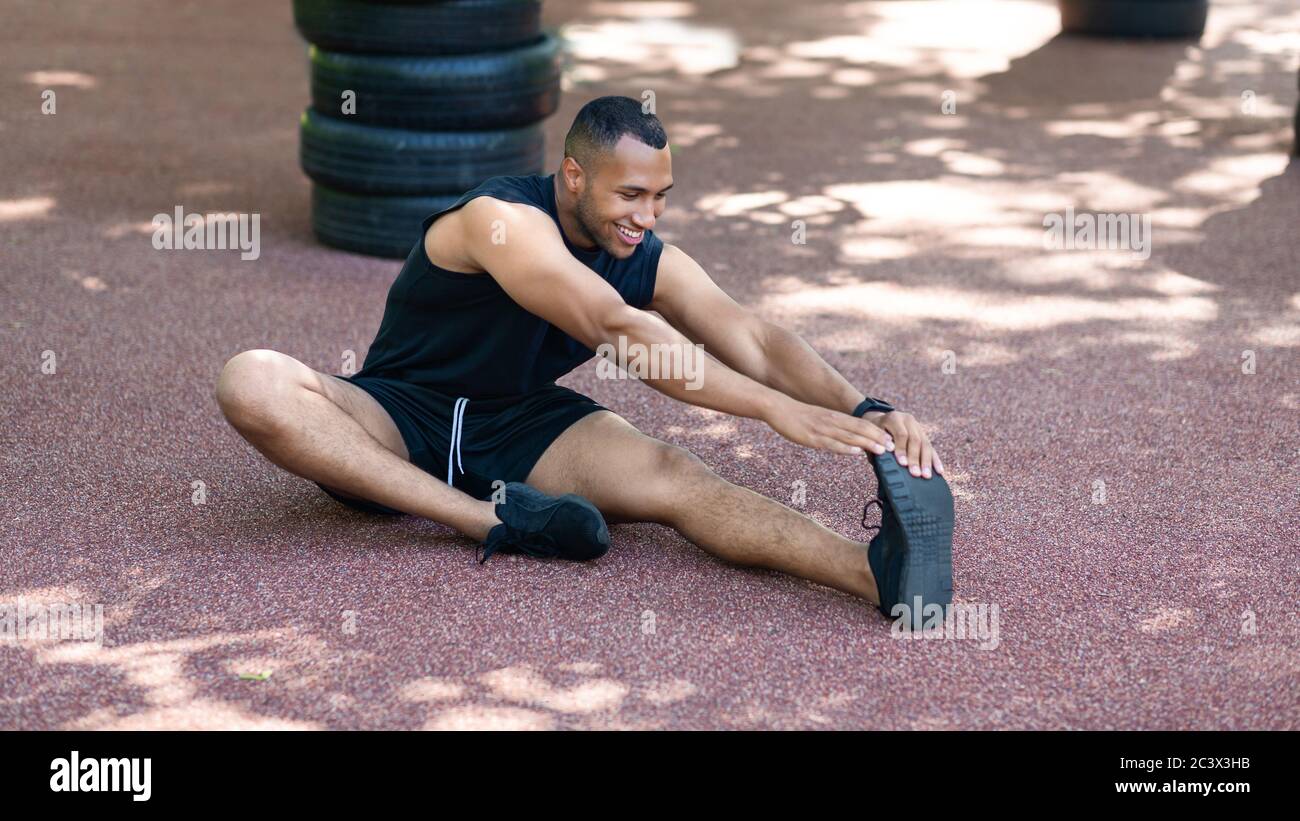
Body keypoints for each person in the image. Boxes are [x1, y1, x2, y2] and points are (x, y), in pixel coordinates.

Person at [215, 96, 952, 616]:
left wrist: (863, 408)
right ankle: (486, 520)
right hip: (398, 411)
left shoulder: (638, 250)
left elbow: (750, 334)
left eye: (660, 197)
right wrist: (775, 411)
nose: (646, 217)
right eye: (630, 193)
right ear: (573, 176)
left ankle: (876, 575)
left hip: (525, 424)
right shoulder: (497, 222)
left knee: (675, 474)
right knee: (251, 379)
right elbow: (615, 326)